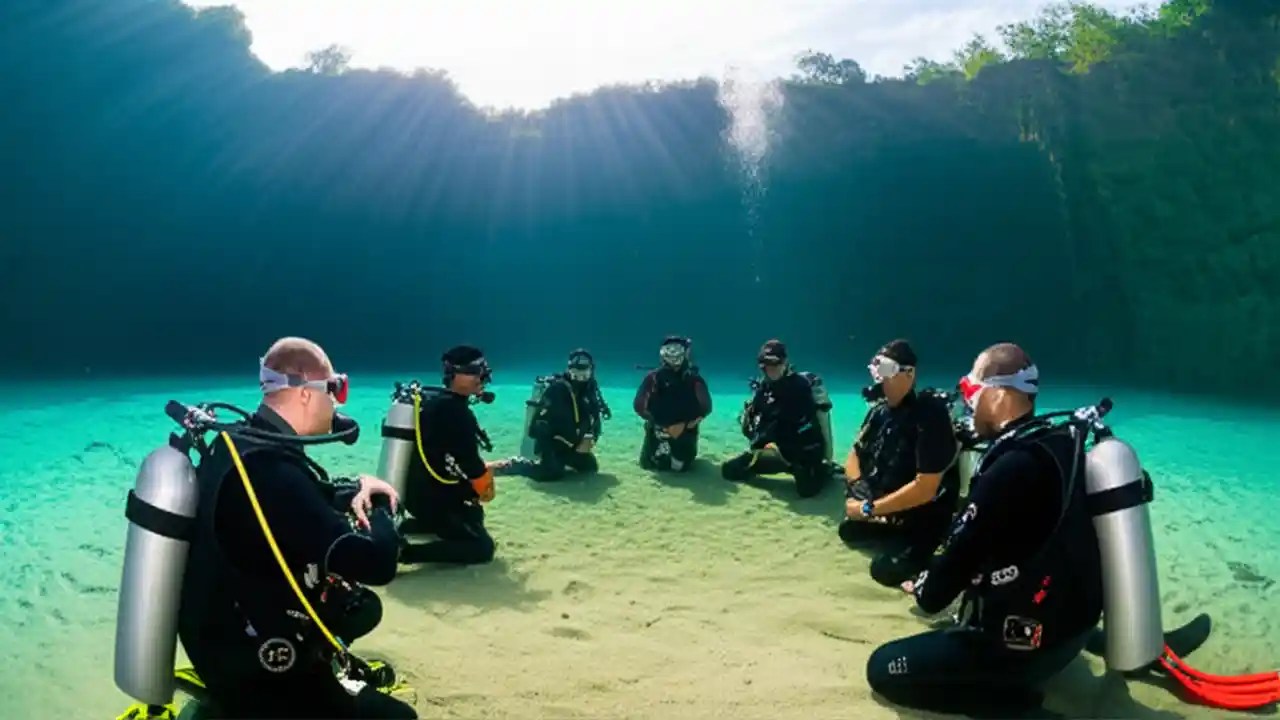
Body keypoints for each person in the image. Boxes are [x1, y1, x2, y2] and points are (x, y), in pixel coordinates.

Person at [176, 337, 416, 719]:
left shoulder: (240, 443)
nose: (337, 403)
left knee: (360, 610)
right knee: (399, 718)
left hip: (219, 634)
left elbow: (299, 499)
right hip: (256, 669)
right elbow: (377, 563)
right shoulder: (272, 473)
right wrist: (383, 505)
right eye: (335, 390)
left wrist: (355, 488)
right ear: (305, 393)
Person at [866, 343, 1104, 717]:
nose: (968, 404)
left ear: (999, 394)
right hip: (1072, 628)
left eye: (971, 392)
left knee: (882, 669)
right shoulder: (1058, 442)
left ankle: (1016, 704)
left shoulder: (1011, 467)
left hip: (1026, 650)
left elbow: (952, 569)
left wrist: (926, 587)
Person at [837, 339, 961, 587]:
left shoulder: (930, 414)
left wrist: (868, 510)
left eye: (886, 372)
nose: (880, 380)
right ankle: (891, 528)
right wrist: (858, 486)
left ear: (909, 374)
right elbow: (853, 455)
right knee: (848, 531)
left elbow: (926, 489)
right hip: (890, 510)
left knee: (883, 570)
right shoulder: (879, 413)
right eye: (876, 372)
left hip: (924, 516)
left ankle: (940, 562)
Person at [398, 345, 499, 566]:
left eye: (482, 370)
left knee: (473, 516)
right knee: (482, 548)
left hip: (417, 494)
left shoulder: (434, 400)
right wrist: (485, 485)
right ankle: (406, 554)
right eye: (473, 371)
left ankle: (414, 526)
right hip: (434, 499)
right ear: (452, 374)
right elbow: (469, 465)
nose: (480, 376)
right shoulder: (455, 412)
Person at [721, 340, 833, 498]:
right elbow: (753, 423)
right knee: (730, 470)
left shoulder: (800, 387)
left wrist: (761, 437)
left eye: (776, 363)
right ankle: (788, 465)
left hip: (803, 451)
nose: (771, 369)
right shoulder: (764, 388)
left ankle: (824, 469)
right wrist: (748, 420)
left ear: (785, 362)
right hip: (777, 452)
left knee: (806, 491)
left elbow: (789, 422)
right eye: (766, 364)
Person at [502, 348, 612, 482]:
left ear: (591, 369)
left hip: (575, 445)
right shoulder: (557, 389)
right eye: (576, 369)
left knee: (590, 469)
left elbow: (595, 417)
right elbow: (535, 428)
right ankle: (520, 465)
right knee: (551, 474)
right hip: (554, 445)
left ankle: (562, 463)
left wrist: (591, 438)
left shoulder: (590, 389)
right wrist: (553, 443)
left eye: (584, 369)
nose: (580, 374)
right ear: (569, 368)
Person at [633, 335, 712, 472]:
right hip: (658, 428)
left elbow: (706, 408)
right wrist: (656, 423)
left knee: (680, 467)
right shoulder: (653, 378)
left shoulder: (694, 380)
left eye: (678, 350)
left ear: (686, 353)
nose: (673, 355)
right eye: (669, 350)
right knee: (649, 464)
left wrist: (686, 425)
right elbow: (639, 405)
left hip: (685, 430)